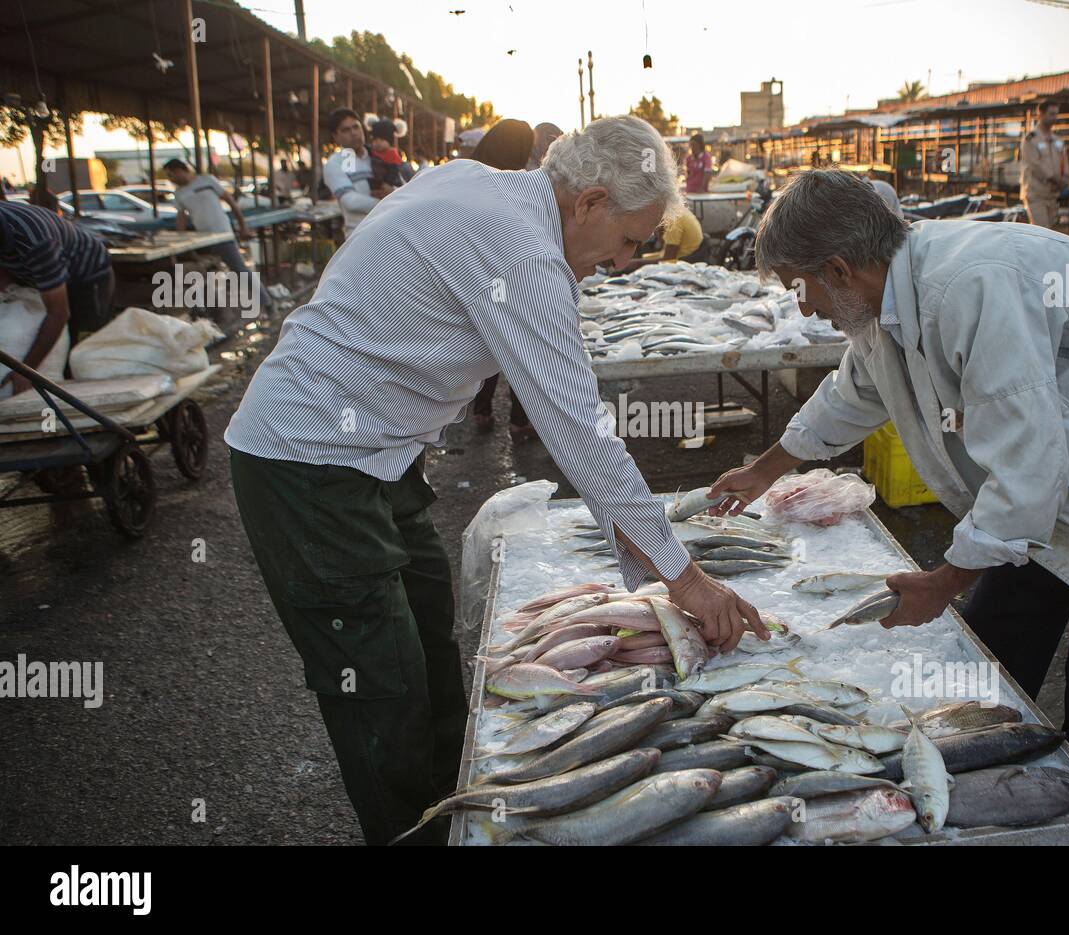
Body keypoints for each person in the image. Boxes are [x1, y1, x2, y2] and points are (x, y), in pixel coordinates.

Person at [223, 115, 767, 845]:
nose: (624, 261)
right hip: (307, 465)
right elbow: (579, 428)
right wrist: (685, 577)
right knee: (379, 687)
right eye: (630, 239)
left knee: (431, 652)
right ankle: (410, 834)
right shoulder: (522, 249)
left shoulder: (477, 184)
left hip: (381, 456)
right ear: (589, 201)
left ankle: (464, 811)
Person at [706, 170, 1069, 803]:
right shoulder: (883, 299)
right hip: (1043, 492)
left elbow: (1030, 468)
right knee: (990, 647)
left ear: (837, 268)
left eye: (798, 287)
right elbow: (852, 394)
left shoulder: (972, 288)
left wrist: (943, 580)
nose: (801, 306)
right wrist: (764, 470)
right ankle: (978, 788)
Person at [465, 118, 537, 437]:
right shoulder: (516, 182)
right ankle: (521, 421)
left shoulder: (466, 175)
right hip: (511, 279)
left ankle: (481, 412)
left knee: (488, 348)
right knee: (522, 352)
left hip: (474, 279)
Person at [0, 200, 112, 393]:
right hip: (37, 275)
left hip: (86, 277)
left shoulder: (36, 242)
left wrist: (26, 371)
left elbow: (59, 313)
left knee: (83, 352)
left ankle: (86, 409)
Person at [163, 158, 273, 318]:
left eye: (171, 174)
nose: (170, 179)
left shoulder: (206, 180)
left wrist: (242, 225)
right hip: (202, 238)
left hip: (222, 233)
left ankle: (267, 303)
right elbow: (181, 218)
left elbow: (230, 201)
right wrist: (182, 239)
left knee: (239, 269)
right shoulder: (179, 193)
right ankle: (211, 314)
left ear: (180, 170)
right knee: (199, 271)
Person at [322, 107, 392, 236]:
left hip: (391, 230)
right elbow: (351, 201)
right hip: (360, 236)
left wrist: (392, 191)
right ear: (335, 137)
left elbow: (404, 184)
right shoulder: (334, 164)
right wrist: (391, 203)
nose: (353, 133)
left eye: (356, 127)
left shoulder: (379, 157)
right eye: (346, 130)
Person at [1021, 101, 1068, 229]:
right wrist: (1054, 178)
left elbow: (1064, 162)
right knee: (1041, 232)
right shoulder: (1031, 139)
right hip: (1036, 195)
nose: (1054, 118)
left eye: (1056, 114)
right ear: (1041, 114)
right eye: (1051, 114)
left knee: (1051, 234)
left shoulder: (1057, 140)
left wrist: (1065, 178)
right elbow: (1035, 165)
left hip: (1053, 195)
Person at [618, 207, 707, 271]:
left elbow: (668, 259)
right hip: (683, 253)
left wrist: (637, 264)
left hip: (683, 261)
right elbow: (663, 243)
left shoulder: (673, 221)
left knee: (630, 266)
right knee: (640, 259)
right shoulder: (675, 210)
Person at [367, 117, 415, 189]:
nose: (378, 142)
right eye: (375, 139)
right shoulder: (369, 156)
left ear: (390, 140)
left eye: (382, 139)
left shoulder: (400, 163)